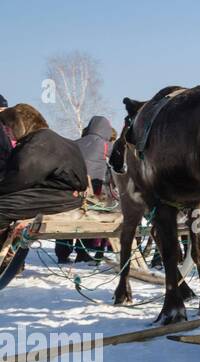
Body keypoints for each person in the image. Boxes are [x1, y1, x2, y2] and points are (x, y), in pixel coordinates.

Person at [0, 106, 89, 276]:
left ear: (19, 125)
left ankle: (9, 260)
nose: (6, 131)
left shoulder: (38, 144)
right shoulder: (47, 139)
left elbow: (18, 179)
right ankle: (10, 259)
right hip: (62, 195)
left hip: (60, 198)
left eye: (7, 127)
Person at [56, 115, 114, 263]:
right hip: (93, 189)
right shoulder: (105, 144)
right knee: (89, 219)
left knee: (68, 220)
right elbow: (119, 159)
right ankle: (82, 252)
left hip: (70, 188)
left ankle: (62, 253)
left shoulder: (75, 143)